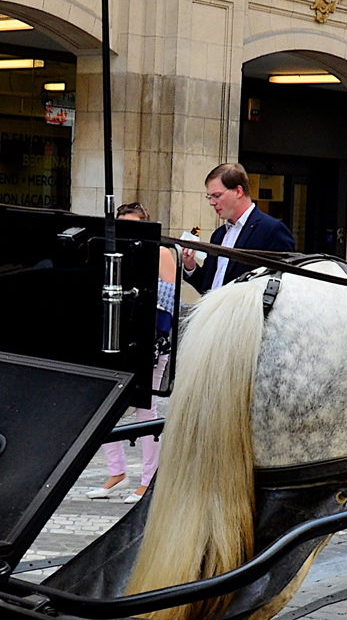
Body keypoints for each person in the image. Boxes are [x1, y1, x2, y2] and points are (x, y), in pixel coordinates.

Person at [88, 203, 178, 502]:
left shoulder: (160, 253)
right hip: (118, 337)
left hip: (151, 339)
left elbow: (168, 300)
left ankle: (149, 478)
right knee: (102, 405)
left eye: (133, 226)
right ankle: (117, 471)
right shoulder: (114, 255)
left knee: (145, 411)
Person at [182, 162, 294, 293]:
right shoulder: (219, 234)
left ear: (238, 191)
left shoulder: (271, 230)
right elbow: (207, 286)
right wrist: (190, 266)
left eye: (217, 195)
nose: (212, 202)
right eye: (209, 197)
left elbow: (284, 286)